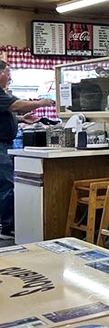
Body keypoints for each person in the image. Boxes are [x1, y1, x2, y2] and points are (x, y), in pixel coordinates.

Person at [0, 61, 54, 240]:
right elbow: (16, 105)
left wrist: (22, 119)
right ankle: (8, 227)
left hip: (5, 143)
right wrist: (42, 102)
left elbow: (9, 112)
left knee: (7, 183)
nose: (10, 76)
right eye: (8, 72)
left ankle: (8, 224)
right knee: (7, 185)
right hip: (0, 145)